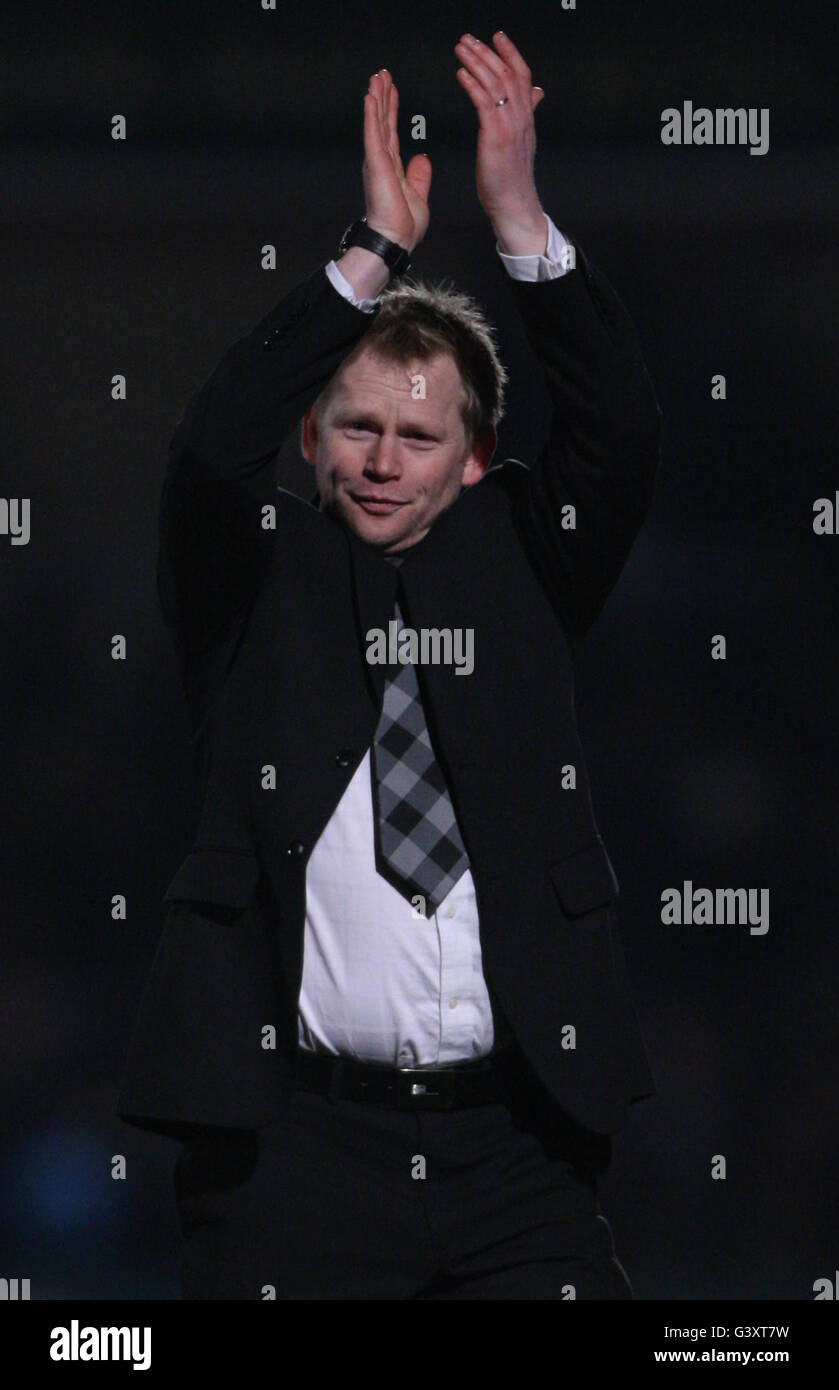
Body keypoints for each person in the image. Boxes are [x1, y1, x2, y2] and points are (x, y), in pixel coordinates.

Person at [116, 30, 662, 1299]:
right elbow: (206, 456)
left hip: (515, 1153)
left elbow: (620, 435)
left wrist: (517, 217)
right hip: (291, 1163)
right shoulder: (251, 573)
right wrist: (370, 255)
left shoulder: (525, 558)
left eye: (418, 435)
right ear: (310, 438)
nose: (379, 459)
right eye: (354, 425)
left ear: (473, 462)